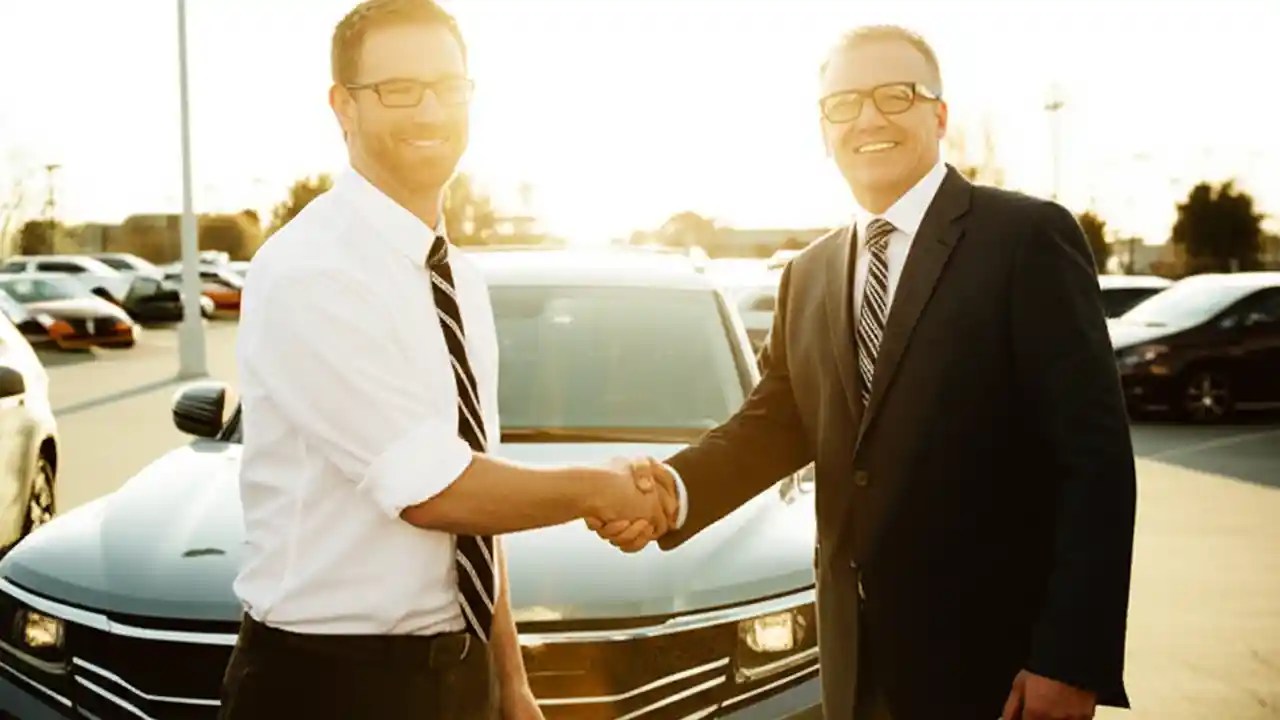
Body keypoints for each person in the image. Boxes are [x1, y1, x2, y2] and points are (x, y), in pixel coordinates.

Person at [593, 24, 1136, 720]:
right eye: (844, 102)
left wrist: (1069, 658)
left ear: (939, 115)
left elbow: (1095, 467)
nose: (869, 117)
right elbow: (777, 424)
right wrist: (672, 489)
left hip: (997, 669)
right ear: (823, 130)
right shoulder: (809, 273)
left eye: (895, 95)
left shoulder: (1026, 240)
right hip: (854, 666)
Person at [219, 2, 671, 718]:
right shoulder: (312, 268)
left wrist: (511, 681)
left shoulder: (459, 277)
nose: (429, 108)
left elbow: (476, 504)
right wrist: (598, 487)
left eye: (448, 86)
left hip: (459, 677)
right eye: (398, 88)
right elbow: (433, 491)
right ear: (343, 106)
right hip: (328, 685)